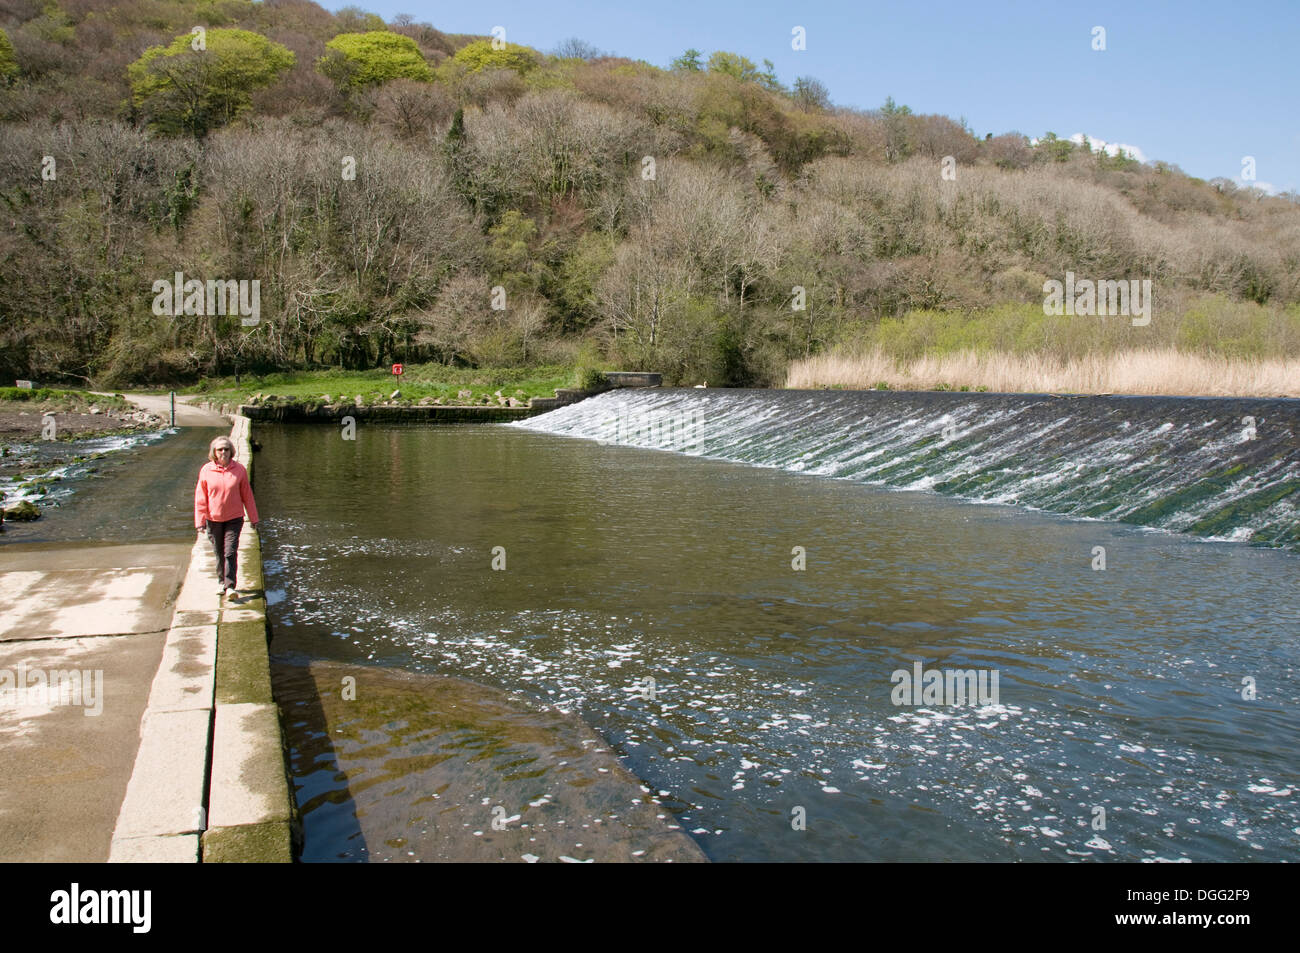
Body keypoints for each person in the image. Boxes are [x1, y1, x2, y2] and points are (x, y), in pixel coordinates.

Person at [195, 435, 259, 599]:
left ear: (231, 451)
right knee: (219, 552)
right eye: (220, 449)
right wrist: (200, 521)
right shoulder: (206, 470)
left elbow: (247, 496)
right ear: (214, 453)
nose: (223, 452)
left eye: (226, 449)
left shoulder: (239, 470)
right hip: (213, 518)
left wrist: (254, 518)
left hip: (234, 518)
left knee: (230, 551)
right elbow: (201, 498)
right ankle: (220, 582)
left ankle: (230, 586)